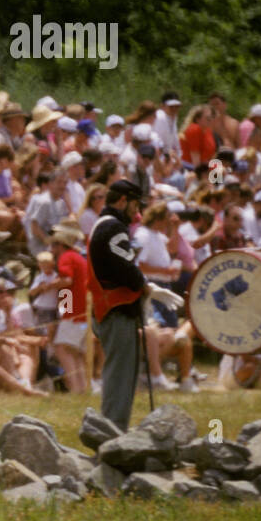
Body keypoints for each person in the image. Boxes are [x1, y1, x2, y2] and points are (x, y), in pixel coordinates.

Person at [87, 180, 181, 428]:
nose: (137, 211)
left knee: (124, 376)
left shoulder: (106, 226)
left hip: (115, 310)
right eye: (134, 204)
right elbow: (124, 267)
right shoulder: (113, 228)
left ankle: (114, 431)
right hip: (116, 311)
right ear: (122, 201)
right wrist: (147, 287)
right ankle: (111, 434)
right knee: (120, 377)